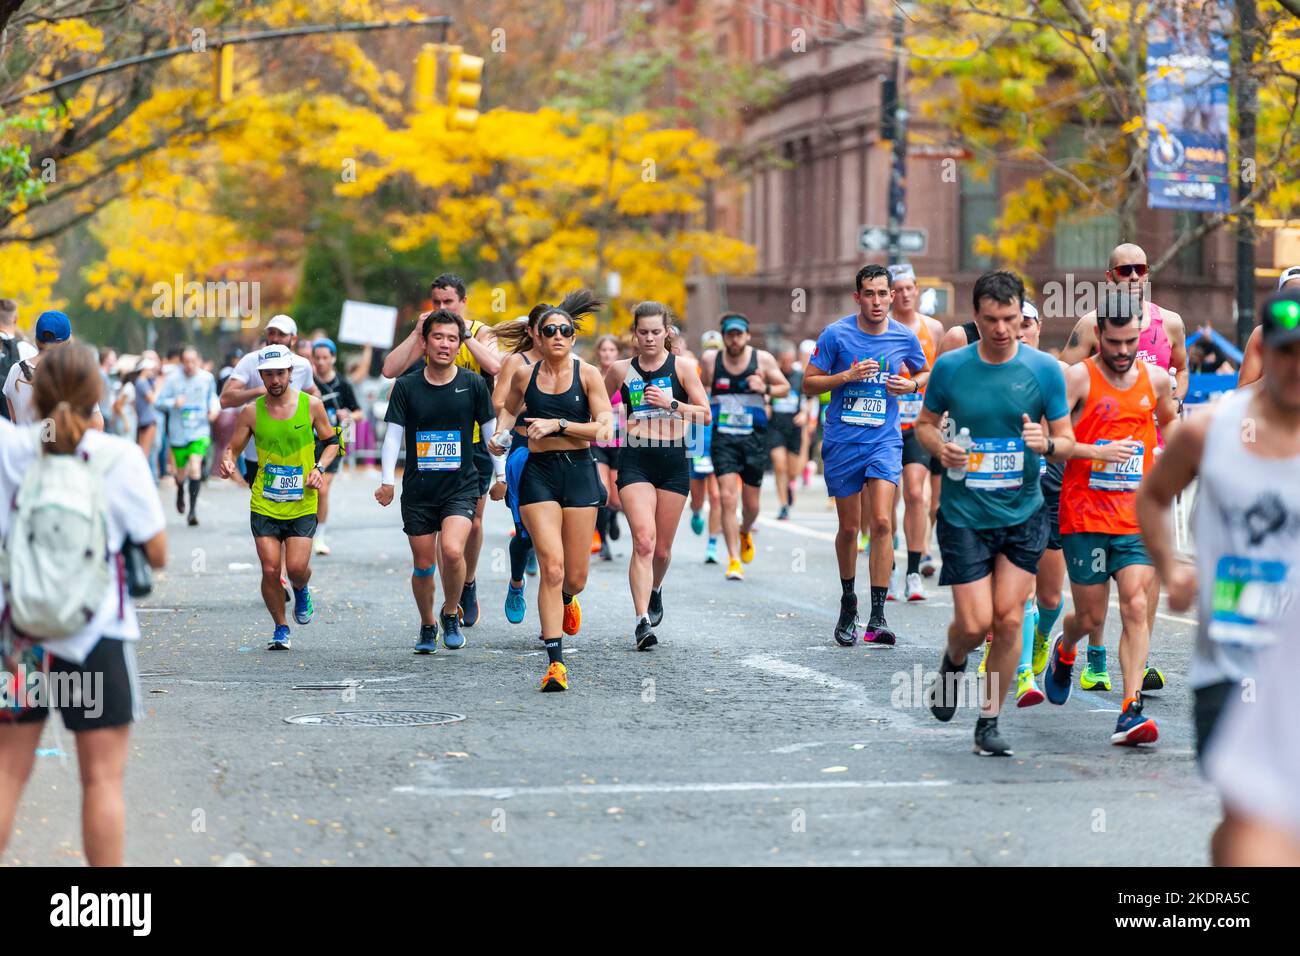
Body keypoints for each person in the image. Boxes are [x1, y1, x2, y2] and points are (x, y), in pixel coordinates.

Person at [1139, 288, 1300, 865]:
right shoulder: (1210, 431)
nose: (1296, 365)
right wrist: (1171, 568)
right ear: (1264, 351)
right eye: (1286, 352)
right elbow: (1153, 498)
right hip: (1232, 663)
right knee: (1247, 817)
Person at [0, 343, 167, 866]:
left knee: (6, 772)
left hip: (20, 642)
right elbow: (157, 552)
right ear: (98, 394)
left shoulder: (10, 450)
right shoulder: (120, 458)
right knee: (101, 780)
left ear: (34, 396)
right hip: (97, 637)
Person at [917, 271, 1075, 757]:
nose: (1003, 329)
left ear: (1021, 314)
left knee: (1008, 620)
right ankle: (953, 659)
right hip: (965, 514)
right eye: (991, 320)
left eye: (1010, 318)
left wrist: (1045, 443)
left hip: (1023, 512)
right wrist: (940, 447)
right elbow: (924, 425)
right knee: (974, 622)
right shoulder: (952, 367)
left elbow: (1065, 442)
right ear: (977, 317)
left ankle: (989, 720)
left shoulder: (1045, 369)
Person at [1045, 291, 1178, 745]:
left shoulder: (1157, 381)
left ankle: (1130, 708)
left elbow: (1171, 424)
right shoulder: (1077, 380)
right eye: (1113, 342)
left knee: (1136, 604)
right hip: (1083, 516)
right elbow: (1052, 441)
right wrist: (1095, 452)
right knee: (1088, 617)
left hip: (1134, 515)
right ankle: (1065, 652)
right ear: (1098, 334)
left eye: (1129, 342)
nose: (1122, 352)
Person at [493, 291, 613, 692]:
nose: (558, 336)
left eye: (565, 330)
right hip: (538, 474)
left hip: (579, 472)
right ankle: (555, 663)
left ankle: (568, 599)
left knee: (574, 577)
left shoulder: (589, 374)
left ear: (573, 338)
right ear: (538, 339)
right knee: (551, 565)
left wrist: (559, 424)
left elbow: (605, 428)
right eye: (550, 331)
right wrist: (500, 433)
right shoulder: (525, 375)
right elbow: (509, 409)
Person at [803, 264, 927, 646]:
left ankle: (877, 615)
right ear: (857, 297)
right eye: (869, 294)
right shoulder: (836, 335)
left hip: (884, 441)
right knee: (850, 528)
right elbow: (808, 383)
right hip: (842, 441)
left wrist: (910, 384)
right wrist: (845, 378)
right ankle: (848, 601)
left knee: (883, 522)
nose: (876, 301)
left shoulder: (904, 338)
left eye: (882, 294)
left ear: (892, 296)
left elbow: (925, 374)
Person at [383, 275, 501, 628]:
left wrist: (460, 333)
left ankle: (466, 583)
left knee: (470, 525)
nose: (441, 309)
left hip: (475, 440)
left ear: (462, 302)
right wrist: (419, 335)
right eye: (436, 302)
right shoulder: (427, 335)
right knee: (432, 549)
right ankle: (437, 608)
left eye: (448, 303)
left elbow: (496, 367)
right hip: (427, 449)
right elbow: (390, 369)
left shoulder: (479, 332)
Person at [602, 302, 712, 650]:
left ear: (667, 332)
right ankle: (641, 621)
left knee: (662, 550)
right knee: (645, 541)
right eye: (643, 332)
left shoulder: (682, 368)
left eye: (655, 332)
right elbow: (596, 405)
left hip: (674, 462)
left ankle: (655, 589)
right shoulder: (621, 370)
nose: (649, 338)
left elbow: (705, 415)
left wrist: (671, 403)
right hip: (635, 459)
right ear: (634, 334)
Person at [217, 345, 339, 650]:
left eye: (280, 373)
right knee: (271, 569)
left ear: (291, 373)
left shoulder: (311, 405)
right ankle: (280, 627)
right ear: (261, 375)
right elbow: (233, 447)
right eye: (268, 374)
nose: (274, 380)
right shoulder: (250, 411)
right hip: (265, 500)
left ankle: (302, 587)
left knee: (296, 568)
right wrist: (228, 460)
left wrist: (319, 468)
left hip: (301, 501)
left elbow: (332, 442)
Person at [699, 314, 791, 581]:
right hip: (723, 438)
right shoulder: (711, 361)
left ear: (747, 336)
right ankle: (733, 559)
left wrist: (765, 389)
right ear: (724, 337)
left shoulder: (762, 360)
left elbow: (784, 388)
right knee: (727, 498)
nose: (735, 339)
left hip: (753, 437)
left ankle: (745, 529)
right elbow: (704, 387)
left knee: (751, 505)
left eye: (739, 334)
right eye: (730, 335)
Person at [886, 263, 945, 600]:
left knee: (916, 494)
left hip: (920, 424)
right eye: (899, 289)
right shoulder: (883, 329)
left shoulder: (933, 329)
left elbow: (941, 372)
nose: (905, 294)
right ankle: (890, 567)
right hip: (886, 425)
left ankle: (913, 571)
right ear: (890, 294)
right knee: (886, 502)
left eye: (910, 288)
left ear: (917, 290)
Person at [153, 346, 219, 526]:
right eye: (186, 362)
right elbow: (158, 403)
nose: (189, 365)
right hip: (179, 432)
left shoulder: (207, 379)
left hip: (199, 430)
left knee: (195, 467)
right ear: (181, 362)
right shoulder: (172, 380)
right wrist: (173, 402)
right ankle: (181, 489)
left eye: (193, 361)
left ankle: (192, 511)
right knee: (181, 473)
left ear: (198, 361)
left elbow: (213, 398)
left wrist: (214, 409)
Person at [311, 338, 363, 555]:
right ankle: (303, 534)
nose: (322, 362)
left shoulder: (342, 383)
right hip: (309, 440)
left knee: (321, 489)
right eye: (318, 358)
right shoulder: (309, 382)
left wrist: (348, 415)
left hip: (335, 440)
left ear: (333, 358)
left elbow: (359, 412)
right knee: (308, 489)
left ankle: (319, 538)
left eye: (326, 358)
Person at [689, 329, 724, 562]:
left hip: (720, 445)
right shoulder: (692, 380)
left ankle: (712, 544)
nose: (712, 357)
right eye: (708, 351)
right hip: (698, 443)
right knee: (698, 496)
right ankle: (696, 510)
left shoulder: (728, 381)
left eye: (716, 351)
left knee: (717, 495)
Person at [4, 310, 73, 425]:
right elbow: (97, 423)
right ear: (66, 341)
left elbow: (13, 418)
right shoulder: (74, 372)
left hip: (24, 441)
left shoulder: (16, 370)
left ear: (36, 339)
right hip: (59, 443)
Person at [591, 334, 625, 560]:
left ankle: (613, 517)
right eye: (604, 350)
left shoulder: (624, 376)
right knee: (602, 493)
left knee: (616, 499)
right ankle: (603, 542)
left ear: (617, 353)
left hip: (620, 442)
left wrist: (624, 409)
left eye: (612, 350)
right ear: (599, 352)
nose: (607, 354)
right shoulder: (592, 375)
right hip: (597, 441)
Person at [768, 344, 810, 521]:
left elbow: (809, 400)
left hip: (794, 426)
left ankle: (789, 486)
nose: (786, 364)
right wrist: (767, 407)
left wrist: (804, 413)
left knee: (793, 471)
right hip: (776, 426)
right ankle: (784, 506)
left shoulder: (800, 377)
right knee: (779, 466)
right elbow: (765, 396)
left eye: (789, 361)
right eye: (783, 360)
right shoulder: (773, 376)